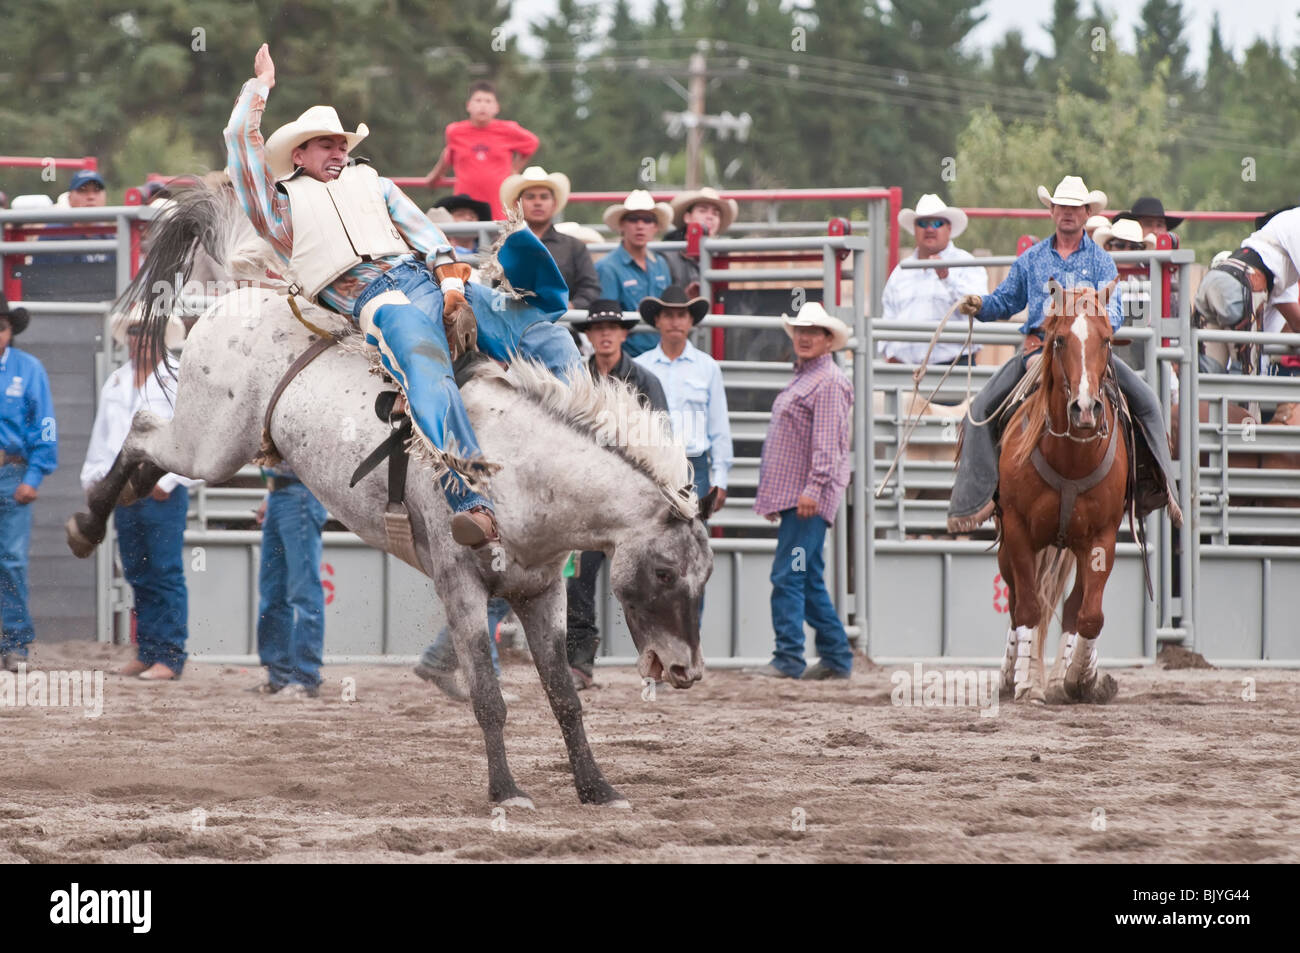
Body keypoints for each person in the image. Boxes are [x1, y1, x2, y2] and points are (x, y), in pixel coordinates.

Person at [225, 44, 580, 553]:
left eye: (340, 144)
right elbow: (239, 143)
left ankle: (584, 440)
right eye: (324, 144)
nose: (338, 151)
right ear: (297, 155)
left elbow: (431, 238)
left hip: (428, 280)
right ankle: (469, 498)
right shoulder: (278, 206)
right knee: (422, 359)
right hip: (371, 296)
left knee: (542, 331)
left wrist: (453, 285)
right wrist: (259, 89)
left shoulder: (375, 183)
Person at [948, 175, 1179, 533]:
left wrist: (1094, 319)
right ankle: (976, 500)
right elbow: (1007, 300)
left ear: (1086, 214)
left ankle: (1158, 491)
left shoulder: (1102, 263)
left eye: (1075, 208)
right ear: (1052, 211)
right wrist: (980, 305)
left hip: (1088, 352)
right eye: (1062, 207)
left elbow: (1114, 311)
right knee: (980, 410)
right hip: (1040, 352)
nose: (1068, 213)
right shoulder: (1032, 259)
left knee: (1148, 401)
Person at [80, 311, 195, 681]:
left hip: (161, 490)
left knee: (164, 571)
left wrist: (171, 481)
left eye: (144, 334)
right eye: (133, 333)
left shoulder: (178, 380)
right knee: (137, 571)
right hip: (123, 491)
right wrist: (94, 482)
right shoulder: (116, 381)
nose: (137, 341)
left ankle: (170, 655)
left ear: (160, 338)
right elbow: (104, 437)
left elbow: (192, 438)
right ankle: (148, 651)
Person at [564, 300, 668, 690]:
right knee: (575, 579)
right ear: (590, 336)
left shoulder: (644, 381)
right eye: (599, 328)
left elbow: (660, 445)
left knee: (648, 580)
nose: (606, 334)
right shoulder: (578, 381)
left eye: (613, 327)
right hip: (587, 500)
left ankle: (658, 654)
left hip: (632, 503)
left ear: (624, 334)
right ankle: (578, 662)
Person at [749, 303, 855, 680]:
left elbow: (827, 446)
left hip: (807, 500)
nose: (805, 337)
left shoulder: (825, 382)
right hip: (800, 499)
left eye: (814, 331)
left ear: (828, 340)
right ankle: (837, 656)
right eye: (800, 330)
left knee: (789, 575)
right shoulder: (811, 378)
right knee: (805, 576)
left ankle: (789, 656)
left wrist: (812, 489)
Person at [634, 285, 732, 504]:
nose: (675, 322)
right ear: (658, 320)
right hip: (651, 462)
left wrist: (720, 478)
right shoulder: (640, 367)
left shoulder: (707, 367)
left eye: (681, 315)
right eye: (668, 315)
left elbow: (719, 426)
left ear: (690, 321)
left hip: (694, 463)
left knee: (693, 533)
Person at [0, 298, 57, 673]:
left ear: (10, 331)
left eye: (1, 327)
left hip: (11, 475)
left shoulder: (29, 370)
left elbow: (44, 425)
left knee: (11, 559)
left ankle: (16, 642)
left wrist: (34, 475)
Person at [879, 193, 987, 366]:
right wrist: (890, 353)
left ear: (948, 229)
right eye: (923, 223)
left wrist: (947, 278)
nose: (930, 229)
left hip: (954, 366)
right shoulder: (901, 270)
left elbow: (980, 307)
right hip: (905, 370)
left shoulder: (966, 264)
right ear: (915, 229)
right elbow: (888, 315)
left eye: (937, 223)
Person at [250, 464, 329, 699]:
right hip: (282, 493)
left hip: (300, 491)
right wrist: (269, 495)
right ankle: (280, 676)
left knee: (301, 590)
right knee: (273, 591)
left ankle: (304, 677)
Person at [424, 81, 539, 220]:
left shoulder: (508, 130)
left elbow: (532, 144)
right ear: (468, 106)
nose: (483, 105)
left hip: (499, 205)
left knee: (499, 237)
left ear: (496, 107)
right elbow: (449, 153)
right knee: (464, 237)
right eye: (478, 100)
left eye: (488, 101)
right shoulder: (454, 131)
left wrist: (514, 169)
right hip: (466, 205)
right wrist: (436, 175)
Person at [500, 166, 601, 310]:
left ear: (553, 204)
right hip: (513, 323)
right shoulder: (502, 244)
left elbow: (590, 288)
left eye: (544, 197)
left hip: (562, 324)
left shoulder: (574, 246)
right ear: (518, 204)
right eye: (530, 197)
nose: (537, 202)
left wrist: (571, 306)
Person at [597, 190, 673, 358]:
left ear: (655, 227)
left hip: (660, 354)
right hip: (628, 357)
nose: (640, 225)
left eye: (647, 220)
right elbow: (607, 320)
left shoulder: (661, 264)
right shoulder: (607, 267)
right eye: (633, 219)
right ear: (622, 225)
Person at [661, 187, 738, 296]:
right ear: (687, 217)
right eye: (702, 211)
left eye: (715, 213)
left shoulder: (720, 254)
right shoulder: (668, 254)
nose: (710, 217)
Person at [432, 193, 492, 260]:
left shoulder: (494, 251)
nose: (468, 218)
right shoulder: (435, 252)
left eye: (473, 216)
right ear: (445, 219)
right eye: (460, 215)